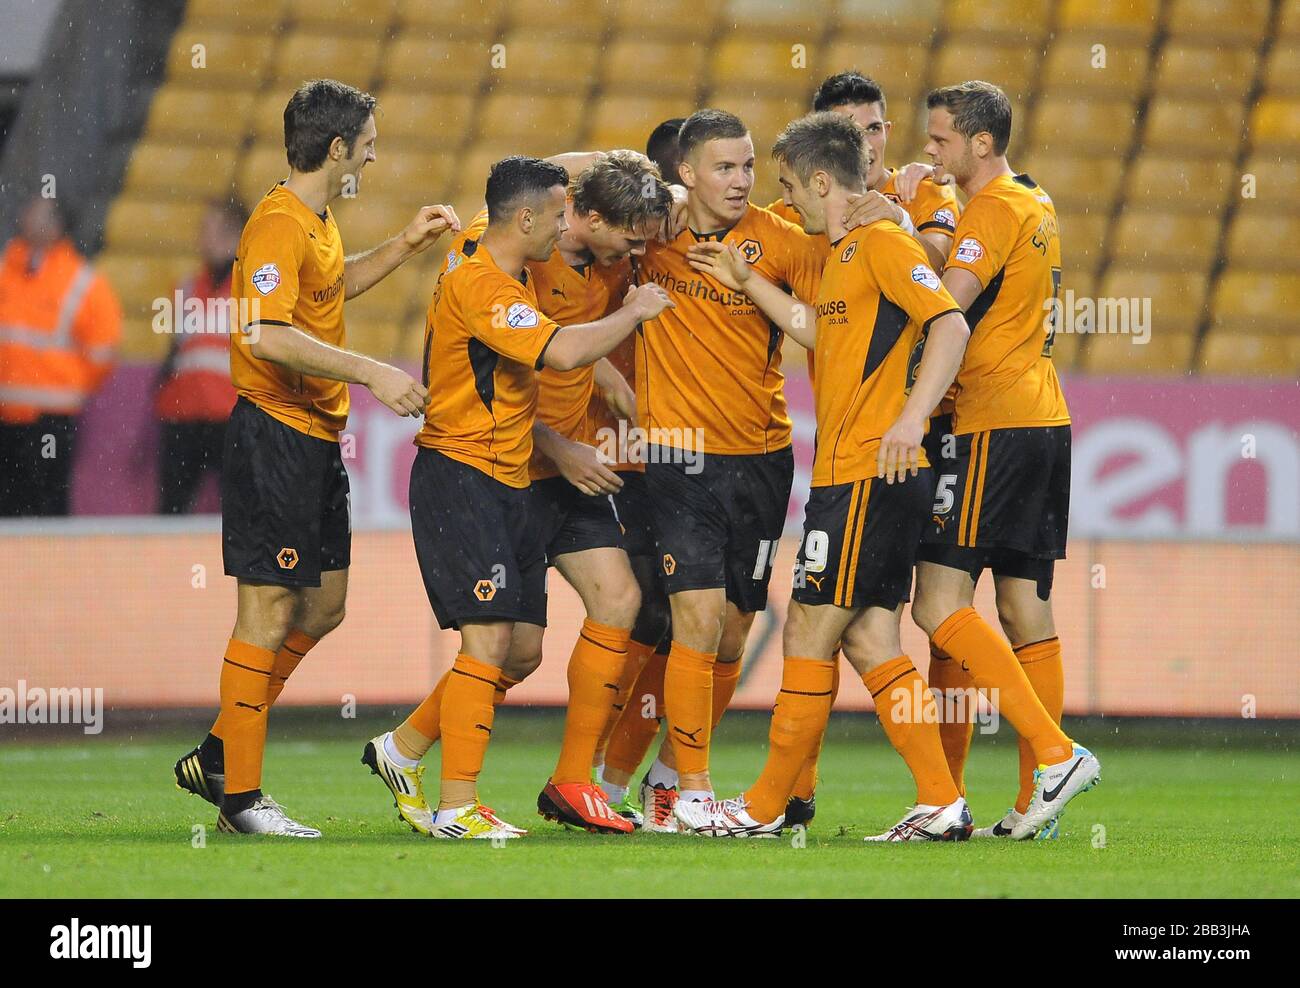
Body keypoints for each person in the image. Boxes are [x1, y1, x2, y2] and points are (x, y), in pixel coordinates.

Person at [171, 79, 461, 837]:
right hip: (272, 433)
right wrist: (370, 371)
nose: (374, 151)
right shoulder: (275, 223)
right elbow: (263, 334)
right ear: (337, 148)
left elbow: (325, 293)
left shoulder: (316, 221)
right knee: (266, 610)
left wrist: (403, 245)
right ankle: (241, 798)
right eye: (368, 140)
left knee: (323, 605)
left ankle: (218, 748)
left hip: (312, 436)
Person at [676, 111, 976, 840]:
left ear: (819, 181)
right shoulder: (840, 251)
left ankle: (764, 804)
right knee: (872, 639)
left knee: (808, 631)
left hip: (872, 470)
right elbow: (815, 329)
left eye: (787, 185)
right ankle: (941, 800)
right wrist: (750, 283)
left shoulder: (879, 242)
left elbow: (950, 324)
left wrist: (912, 419)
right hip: (852, 474)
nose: (782, 200)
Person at [361, 151, 674, 836]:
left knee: (583, 617)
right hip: (484, 470)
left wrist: (632, 167)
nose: (634, 252)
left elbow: (534, 176)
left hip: (528, 471)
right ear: (556, 218)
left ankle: (546, 777)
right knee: (495, 641)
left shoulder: (526, 245)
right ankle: (456, 804)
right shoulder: (491, 274)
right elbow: (557, 352)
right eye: (561, 215)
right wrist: (635, 315)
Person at [908, 81, 1098, 840]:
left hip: (989, 422)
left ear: (982, 142)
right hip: (1045, 418)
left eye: (942, 138)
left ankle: (1054, 754)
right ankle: (1035, 804)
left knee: (937, 604)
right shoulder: (1037, 201)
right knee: (1023, 608)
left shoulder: (989, 209)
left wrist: (897, 234)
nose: (931, 149)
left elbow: (946, 302)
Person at [631, 109, 824, 830]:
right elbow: (569, 178)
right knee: (698, 618)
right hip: (678, 455)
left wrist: (749, 283)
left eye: (747, 166)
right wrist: (652, 188)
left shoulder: (778, 240)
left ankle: (669, 771)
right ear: (685, 173)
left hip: (764, 457)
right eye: (724, 167)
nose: (741, 180)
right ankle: (696, 792)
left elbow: (816, 329)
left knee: (737, 630)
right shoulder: (656, 233)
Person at [0, 195, 121, 516]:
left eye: (38, 210)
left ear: (58, 225)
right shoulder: (5, 270)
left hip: (50, 419)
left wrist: (67, 387)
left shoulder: (81, 281)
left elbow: (103, 350)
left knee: (48, 508)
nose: (26, 215)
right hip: (7, 417)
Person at [153, 199, 245, 514]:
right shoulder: (186, 287)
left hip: (231, 418)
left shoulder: (251, 291)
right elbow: (174, 351)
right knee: (172, 510)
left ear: (237, 236)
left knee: (241, 512)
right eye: (203, 230)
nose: (204, 238)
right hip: (183, 417)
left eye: (214, 231)